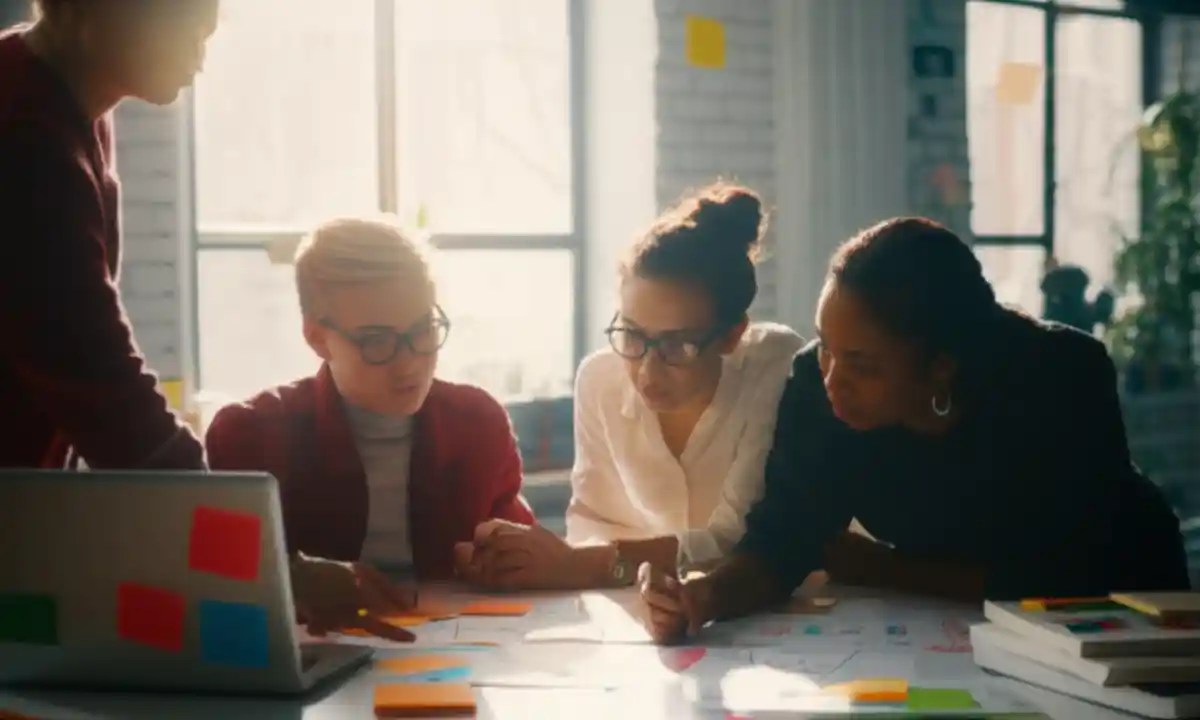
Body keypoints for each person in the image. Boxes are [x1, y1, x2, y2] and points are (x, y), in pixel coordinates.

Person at [0, 1, 410, 641]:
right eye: (186, 19)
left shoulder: (62, 106)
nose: (204, 42)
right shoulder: (26, 138)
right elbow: (104, 391)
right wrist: (276, 568)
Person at [639, 217, 1189, 644]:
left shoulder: (1061, 375)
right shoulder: (815, 384)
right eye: (826, 347)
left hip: (1124, 609)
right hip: (965, 622)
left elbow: (1064, 572)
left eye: (863, 364)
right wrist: (702, 597)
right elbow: (782, 541)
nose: (835, 380)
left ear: (941, 364)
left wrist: (886, 568)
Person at [455, 183, 804, 590]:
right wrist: (528, 561)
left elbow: (738, 543)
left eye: (678, 345)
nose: (646, 371)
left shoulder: (775, 364)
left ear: (732, 335)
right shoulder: (601, 380)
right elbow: (594, 523)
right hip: (650, 613)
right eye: (632, 335)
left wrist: (577, 565)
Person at [206, 217, 536, 584]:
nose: (408, 364)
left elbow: (524, 557)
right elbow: (219, 577)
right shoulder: (252, 435)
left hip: (463, 637)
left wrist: (507, 561)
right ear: (317, 338)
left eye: (423, 330)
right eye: (377, 341)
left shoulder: (476, 424)